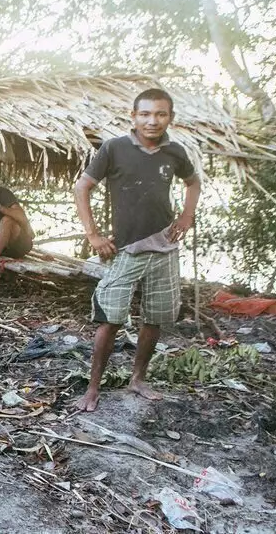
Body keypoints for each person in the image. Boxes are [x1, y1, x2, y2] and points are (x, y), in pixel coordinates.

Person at [73, 88, 201, 412]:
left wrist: (187, 215)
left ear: (170, 117)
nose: (152, 120)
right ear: (133, 116)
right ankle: (92, 388)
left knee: (154, 317)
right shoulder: (114, 148)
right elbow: (82, 186)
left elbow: (193, 182)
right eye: (145, 114)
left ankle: (138, 379)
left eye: (160, 114)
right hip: (125, 248)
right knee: (110, 318)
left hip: (165, 245)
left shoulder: (175, 151)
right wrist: (93, 235)